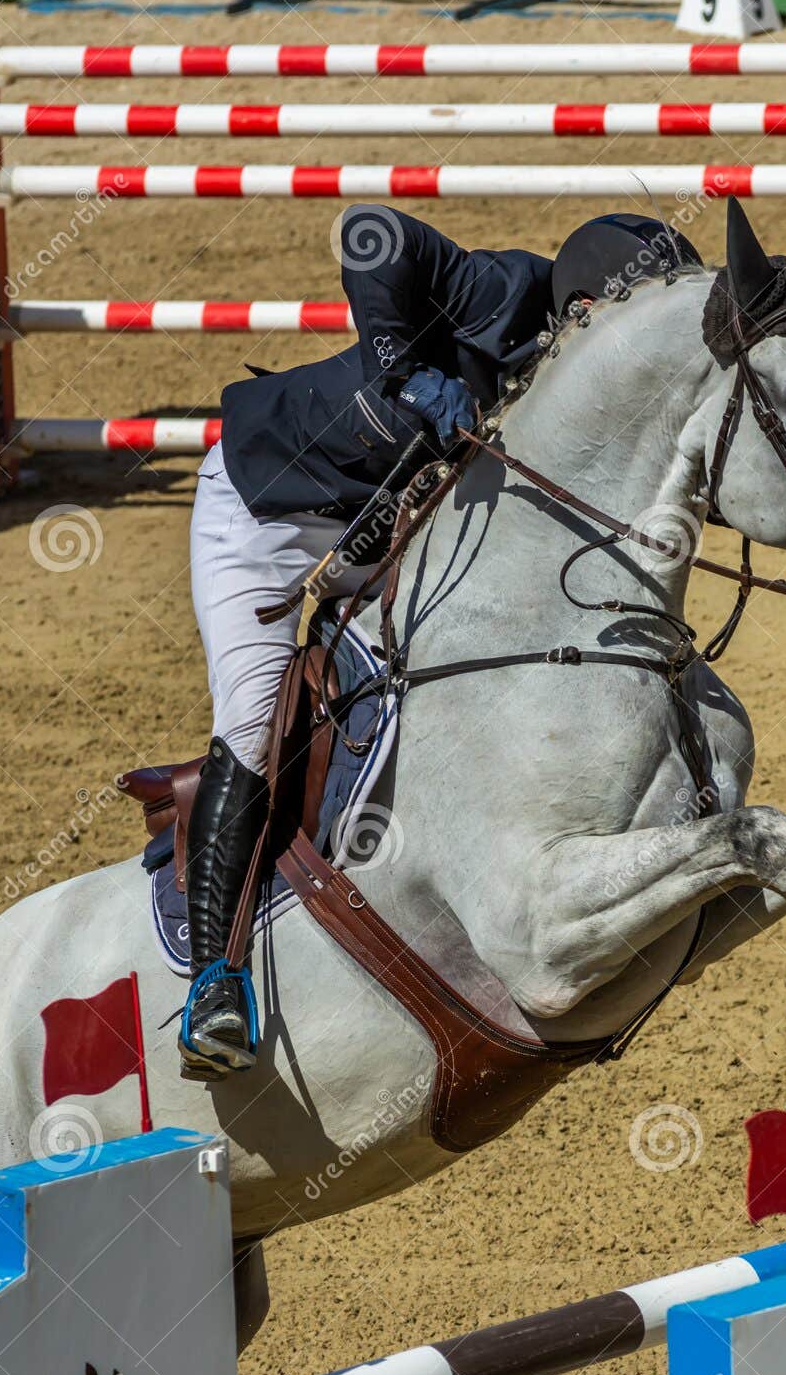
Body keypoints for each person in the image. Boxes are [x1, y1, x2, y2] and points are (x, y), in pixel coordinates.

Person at [180, 205, 700, 1080]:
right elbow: (367, 232)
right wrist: (408, 368)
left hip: (387, 543)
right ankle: (214, 981)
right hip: (262, 521)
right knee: (254, 722)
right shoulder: (497, 294)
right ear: (583, 312)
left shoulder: (603, 390)